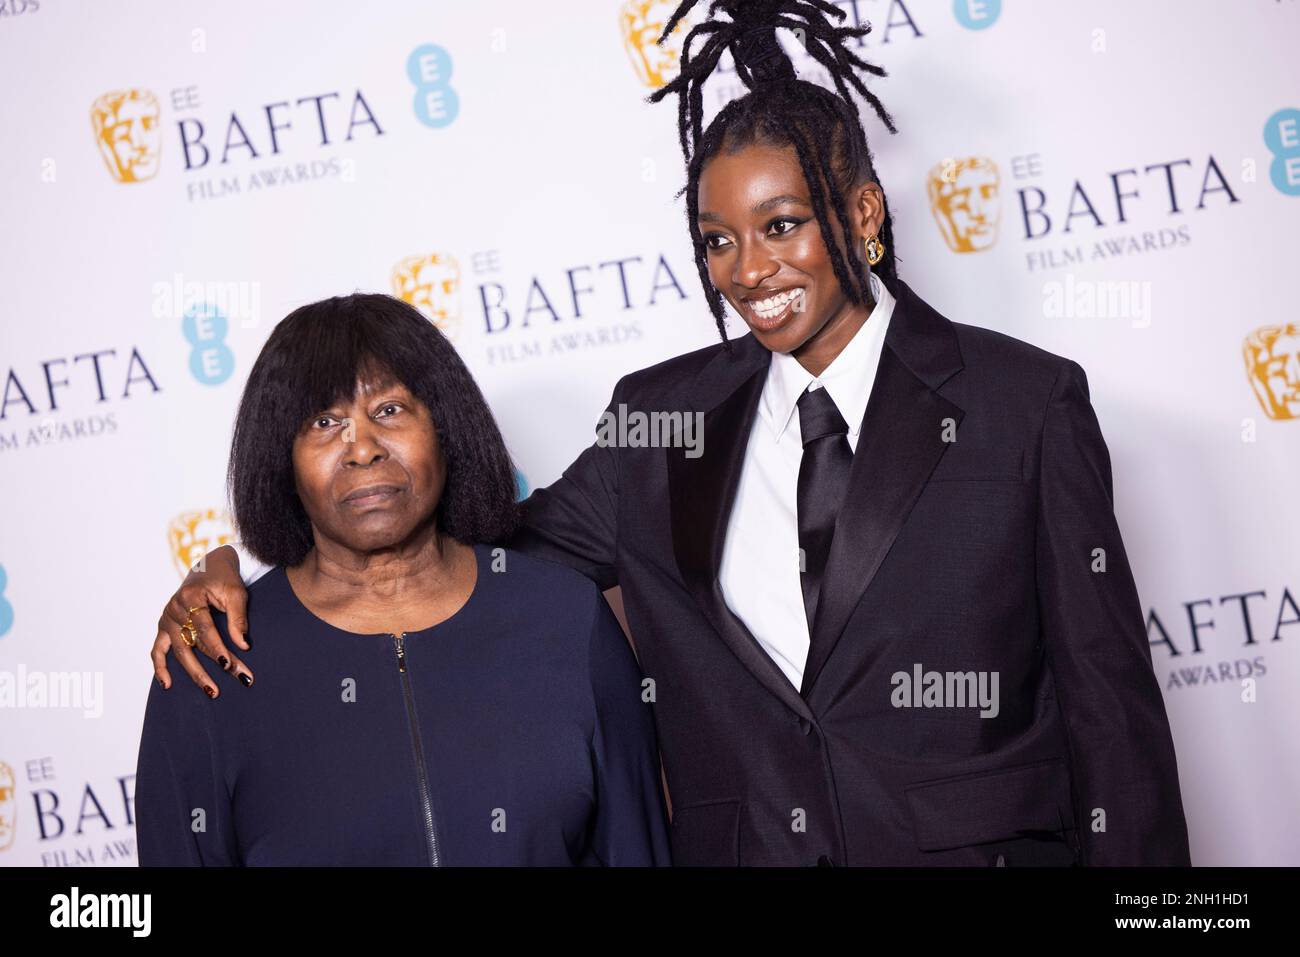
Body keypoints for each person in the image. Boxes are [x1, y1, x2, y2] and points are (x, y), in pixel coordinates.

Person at [148, 0, 1190, 866]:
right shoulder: (663, 419)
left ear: (863, 214)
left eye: (781, 224)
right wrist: (235, 572)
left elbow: (1110, 710)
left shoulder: (1024, 403)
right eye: (717, 240)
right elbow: (464, 551)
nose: (749, 270)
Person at [135, 294, 671, 866]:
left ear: (445, 429)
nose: (362, 447)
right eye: (324, 422)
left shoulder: (567, 618)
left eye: (389, 410)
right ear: (280, 460)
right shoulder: (213, 654)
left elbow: (638, 851)